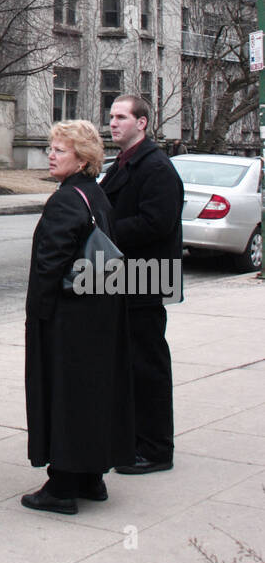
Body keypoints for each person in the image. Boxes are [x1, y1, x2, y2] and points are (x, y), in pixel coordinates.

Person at [23, 120, 134, 514]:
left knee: (64, 395)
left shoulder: (66, 199)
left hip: (68, 319)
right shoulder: (94, 195)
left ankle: (63, 485)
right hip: (97, 314)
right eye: (50, 148)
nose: (50, 155)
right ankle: (90, 476)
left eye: (59, 149)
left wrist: (36, 314)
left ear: (81, 157)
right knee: (90, 393)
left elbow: (49, 265)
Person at [100, 94, 184, 474]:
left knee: (148, 366)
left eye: (121, 117)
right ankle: (135, 440)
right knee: (130, 365)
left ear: (142, 123)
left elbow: (157, 223)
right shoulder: (122, 164)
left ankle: (155, 449)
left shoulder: (157, 167)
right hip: (124, 278)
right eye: (112, 116)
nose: (113, 122)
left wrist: (103, 231)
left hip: (147, 279)